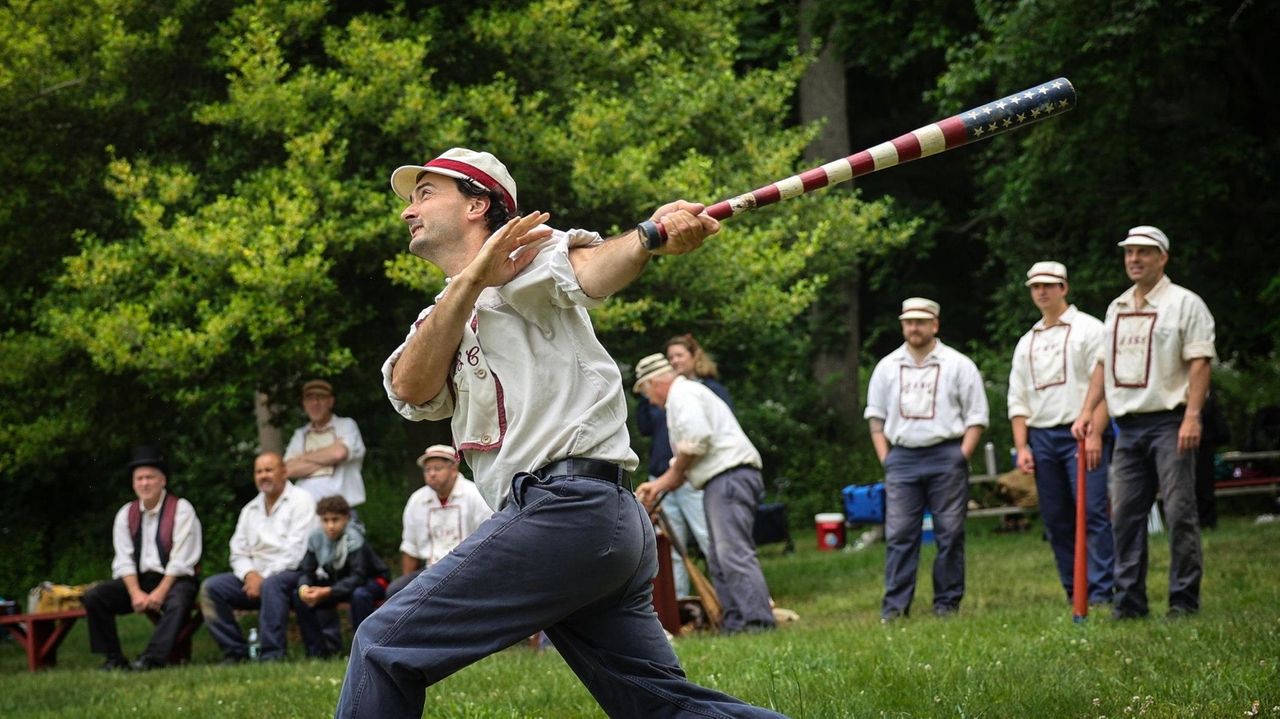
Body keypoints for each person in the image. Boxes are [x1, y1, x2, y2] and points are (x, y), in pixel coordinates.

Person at [337, 147, 784, 717]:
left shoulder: (532, 256)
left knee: (382, 645)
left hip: (567, 509)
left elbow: (595, 268)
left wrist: (650, 234)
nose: (408, 211)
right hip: (589, 526)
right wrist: (472, 280)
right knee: (662, 709)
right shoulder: (444, 316)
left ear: (478, 205)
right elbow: (411, 388)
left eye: (425, 194)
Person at [1072, 226, 1216, 620]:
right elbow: (1103, 365)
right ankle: (1130, 603)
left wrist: (1191, 416)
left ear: (1162, 257)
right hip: (1128, 426)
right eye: (1129, 253)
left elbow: (1200, 362)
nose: (1134, 259)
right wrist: (1088, 411)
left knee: (1180, 510)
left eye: (1144, 253)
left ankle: (1183, 601)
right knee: (1124, 516)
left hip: (1171, 422)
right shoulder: (1116, 307)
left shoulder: (1185, 303)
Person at [864, 297, 988, 622]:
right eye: (908, 322)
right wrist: (886, 459)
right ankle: (894, 608)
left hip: (946, 453)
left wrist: (962, 455)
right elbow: (875, 418)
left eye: (920, 321)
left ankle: (946, 604)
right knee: (900, 534)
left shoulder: (958, 364)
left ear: (935, 324)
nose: (913, 328)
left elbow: (977, 415)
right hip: (902, 457)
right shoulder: (887, 367)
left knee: (949, 532)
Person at [633, 354, 776, 634]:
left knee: (732, 552)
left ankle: (758, 622)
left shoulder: (683, 395)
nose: (649, 401)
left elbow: (697, 440)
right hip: (720, 480)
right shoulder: (684, 396)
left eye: (645, 392)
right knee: (720, 556)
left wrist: (667, 479)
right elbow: (690, 452)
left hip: (729, 476)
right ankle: (735, 623)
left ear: (654, 382)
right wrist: (662, 483)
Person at [1007, 261, 1116, 605]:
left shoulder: (1089, 329)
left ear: (1064, 288)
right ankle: (1074, 589)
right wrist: (1022, 446)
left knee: (1093, 511)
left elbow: (1106, 386)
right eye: (1035, 286)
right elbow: (1018, 397)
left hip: (1083, 431)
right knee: (1056, 518)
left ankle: (1101, 591)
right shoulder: (1027, 341)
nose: (1041, 291)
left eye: (1049, 285)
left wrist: (1096, 432)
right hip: (1041, 437)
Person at [83, 446, 202, 671]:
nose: (145, 483)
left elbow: (181, 559)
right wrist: (135, 592)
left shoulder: (181, 509)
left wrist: (160, 592)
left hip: (176, 579)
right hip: (139, 580)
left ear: (163, 480)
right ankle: (113, 658)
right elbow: (124, 559)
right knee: (95, 596)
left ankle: (152, 658)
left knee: (178, 601)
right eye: (139, 478)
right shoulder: (125, 514)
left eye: (150, 477)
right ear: (133, 483)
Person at [635, 333, 731, 598]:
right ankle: (681, 605)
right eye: (671, 357)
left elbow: (703, 436)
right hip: (665, 473)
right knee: (670, 548)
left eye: (679, 355)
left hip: (691, 477)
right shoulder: (664, 397)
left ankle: (730, 602)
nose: (675, 361)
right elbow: (645, 428)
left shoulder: (697, 391)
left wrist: (678, 471)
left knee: (710, 537)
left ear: (693, 357)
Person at [200, 452, 316, 662]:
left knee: (272, 584)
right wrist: (249, 575)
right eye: (259, 471)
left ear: (284, 472)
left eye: (269, 470)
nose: (264, 475)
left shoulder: (301, 501)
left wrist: (262, 579)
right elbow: (238, 550)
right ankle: (236, 653)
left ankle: (271, 654)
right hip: (253, 578)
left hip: (293, 573)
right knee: (211, 588)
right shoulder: (250, 510)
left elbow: (296, 551)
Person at [384, 444, 492, 598]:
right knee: (396, 592)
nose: (432, 474)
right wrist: (408, 587)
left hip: (467, 570)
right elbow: (410, 549)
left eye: (437, 468)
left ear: (454, 470)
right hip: (430, 571)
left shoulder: (474, 495)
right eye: (427, 470)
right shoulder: (417, 500)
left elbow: (487, 542)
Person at [292, 495, 389, 658]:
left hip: (372, 580)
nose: (330, 526)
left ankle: (362, 652)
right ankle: (317, 653)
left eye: (335, 519)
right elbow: (306, 570)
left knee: (359, 595)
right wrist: (304, 588)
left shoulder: (354, 537)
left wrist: (328, 591)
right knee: (299, 597)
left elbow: (358, 577)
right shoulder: (316, 537)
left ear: (346, 518)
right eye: (325, 520)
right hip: (340, 583)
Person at [284, 380, 368, 512]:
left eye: (321, 398)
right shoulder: (300, 434)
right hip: (306, 511)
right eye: (310, 398)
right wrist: (328, 456)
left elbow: (339, 454)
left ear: (331, 401)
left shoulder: (346, 425)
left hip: (342, 511)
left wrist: (302, 458)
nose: (315, 403)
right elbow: (288, 469)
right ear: (304, 404)